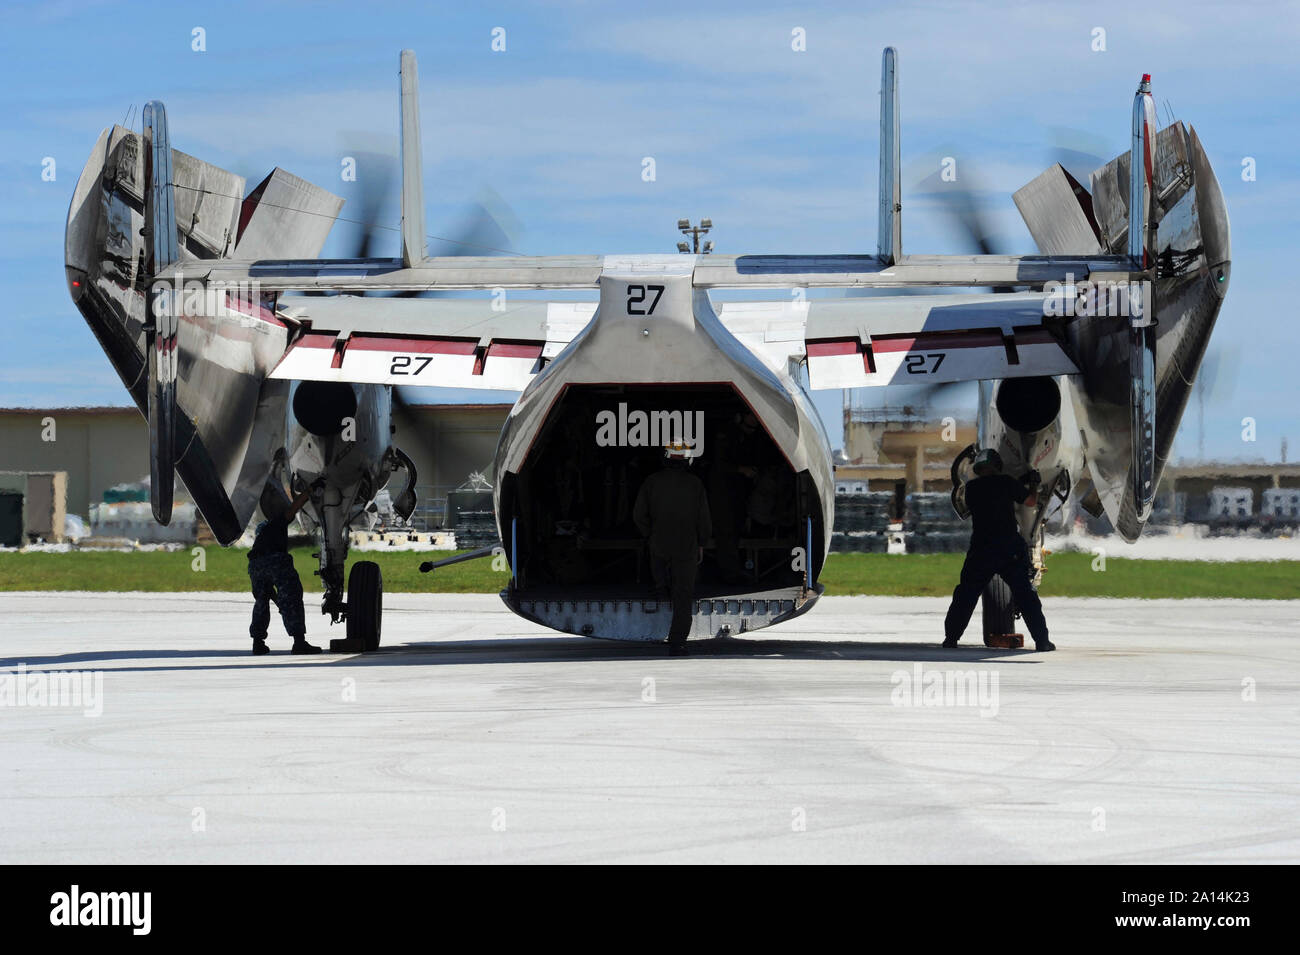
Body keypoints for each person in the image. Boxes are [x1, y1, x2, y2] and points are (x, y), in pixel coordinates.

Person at [942, 449, 1055, 651]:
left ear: (978, 468)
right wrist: (1034, 485)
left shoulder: (972, 488)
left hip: (981, 549)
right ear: (997, 466)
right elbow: (1030, 501)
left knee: (965, 595)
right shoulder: (1006, 483)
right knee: (1026, 595)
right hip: (1008, 548)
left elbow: (976, 504)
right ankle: (1042, 641)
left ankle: (951, 638)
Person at [633, 442, 712, 655]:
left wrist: (649, 535)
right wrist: (702, 542)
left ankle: (659, 600)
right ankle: (678, 642)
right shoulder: (695, 484)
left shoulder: (651, 482)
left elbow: (638, 515)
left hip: (658, 544)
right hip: (686, 546)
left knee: (661, 585)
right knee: (683, 594)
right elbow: (703, 519)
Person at [248, 485, 320, 655]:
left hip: (255, 564)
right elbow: (294, 508)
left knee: (261, 601)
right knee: (292, 596)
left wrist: (279, 601)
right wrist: (309, 491)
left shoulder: (263, 531)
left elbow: (269, 592)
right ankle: (299, 642)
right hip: (275, 560)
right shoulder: (278, 521)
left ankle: (258, 643)